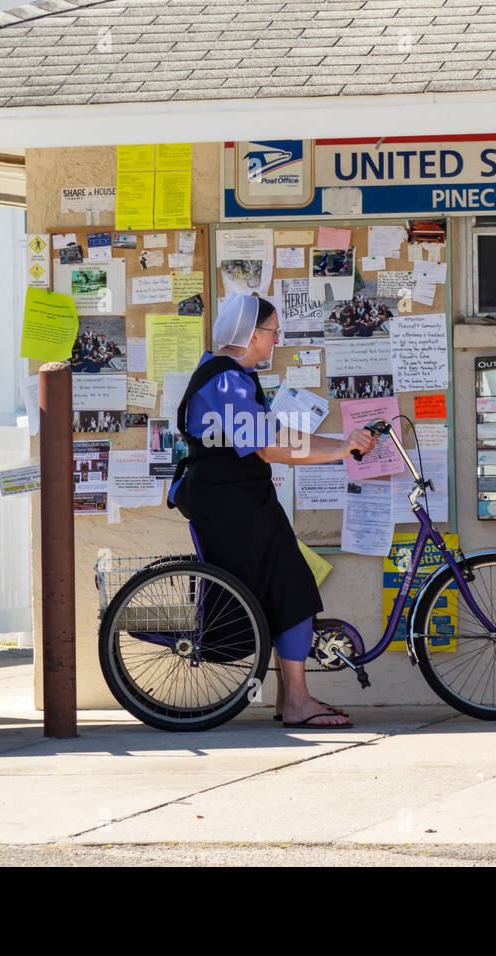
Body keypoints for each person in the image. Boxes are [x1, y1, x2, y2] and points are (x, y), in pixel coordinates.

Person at [168, 291, 377, 728]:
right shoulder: (226, 379)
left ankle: (292, 700)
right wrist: (338, 450)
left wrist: (343, 444)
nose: (276, 340)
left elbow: (277, 432)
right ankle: (298, 701)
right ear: (252, 333)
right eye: (273, 331)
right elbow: (269, 448)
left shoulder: (230, 375)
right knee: (293, 590)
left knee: (289, 590)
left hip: (241, 501)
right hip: (233, 506)